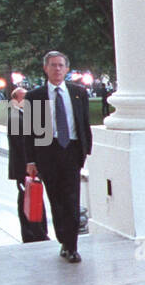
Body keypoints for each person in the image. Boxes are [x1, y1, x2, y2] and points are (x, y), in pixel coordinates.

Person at [21, 52, 93, 262]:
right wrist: (30, 160)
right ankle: (63, 239)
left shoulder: (78, 92)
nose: (57, 69)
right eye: (53, 65)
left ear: (67, 69)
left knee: (72, 199)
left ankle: (72, 246)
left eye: (61, 65)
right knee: (56, 200)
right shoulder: (35, 96)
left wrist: (85, 151)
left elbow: (84, 122)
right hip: (47, 152)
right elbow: (28, 131)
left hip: (71, 151)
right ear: (46, 68)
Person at [7, 87, 49, 243]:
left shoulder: (23, 116)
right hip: (24, 169)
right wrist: (30, 164)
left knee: (30, 199)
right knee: (29, 200)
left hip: (25, 168)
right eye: (24, 97)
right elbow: (22, 145)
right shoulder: (16, 118)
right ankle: (35, 233)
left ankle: (35, 232)